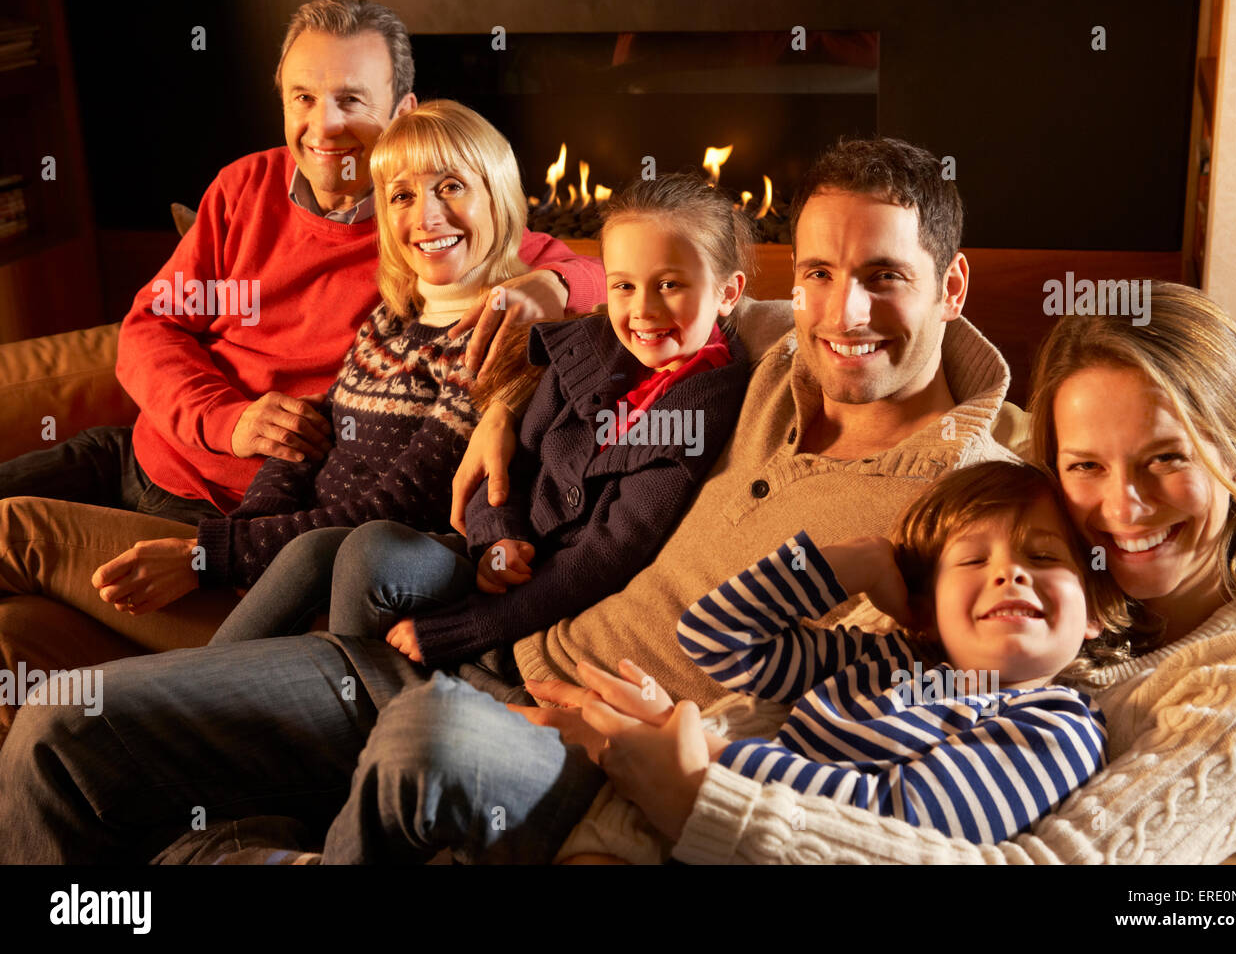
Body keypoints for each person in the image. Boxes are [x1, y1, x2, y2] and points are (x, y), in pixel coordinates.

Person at [0, 136, 1035, 864]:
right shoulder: (771, 350)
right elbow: (631, 280)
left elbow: (854, 717)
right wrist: (512, 385)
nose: (845, 311)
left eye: (885, 278)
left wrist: (667, 753)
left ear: (951, 287)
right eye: (818, 271)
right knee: (61, 723)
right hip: (467, 648)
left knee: (430, 745)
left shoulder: (963, 503)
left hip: (577, 745)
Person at [563, 281, 1236, 865]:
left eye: (1167, 458)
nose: (1124, 506)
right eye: (1086, 466)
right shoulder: (1001, 558)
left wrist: (701, 801)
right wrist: (610, 840)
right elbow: (762, 711)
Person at [0, 0, 603, 704]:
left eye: (351, 99)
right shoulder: (243, 189)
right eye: (304, 98)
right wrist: (226, 420)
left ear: (403, 108)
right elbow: (148, 330)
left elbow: (578, 275)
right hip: (136, 456)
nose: (324, 126)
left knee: (14, 534)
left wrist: (555, 284)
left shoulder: (427, 229)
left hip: (232, 522)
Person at [208, 172, 751, 671]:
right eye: (624, 286)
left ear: (728, 293)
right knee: (321, 549)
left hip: (546, 597)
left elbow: (604, 559)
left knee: (370, 554)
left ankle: (344, 717)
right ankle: (204, 685)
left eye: (670, 285)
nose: (643, 311)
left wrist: (466, 629)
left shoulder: (698, 412)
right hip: (494, 563)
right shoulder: (586, 349)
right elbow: (501, 469)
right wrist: (497, 539)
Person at [677, 460, 1128, 843]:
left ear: (1094, 612)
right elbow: (717, 637)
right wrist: (857, 562)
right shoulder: (879, 662)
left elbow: (897, 823)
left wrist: (701, 759)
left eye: (1044, 557)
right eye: (973, 560)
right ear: (926, 611)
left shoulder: (1060, 725)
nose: (1010, 573)